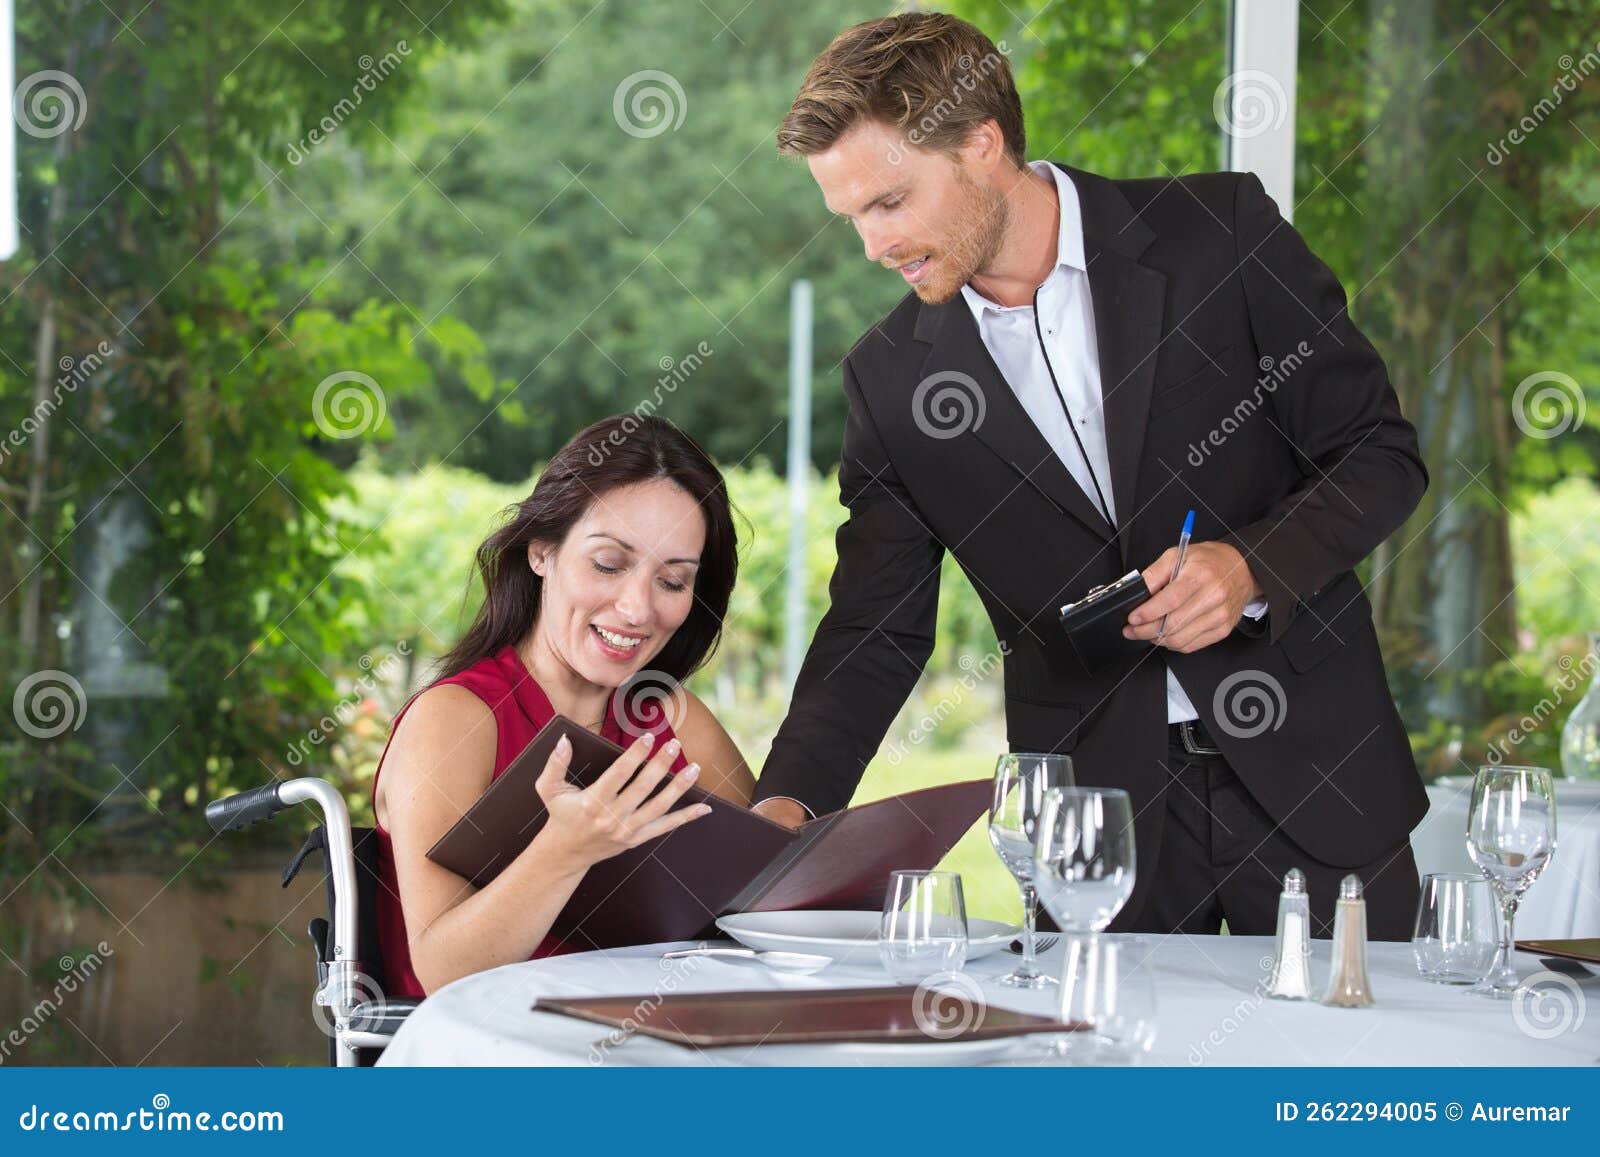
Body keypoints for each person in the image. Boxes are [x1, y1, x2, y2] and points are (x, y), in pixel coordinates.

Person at [751, 13, 1429, 940]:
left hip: (1319, 778)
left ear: (983, 145)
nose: (874, 246)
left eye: (890, 203)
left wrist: (1251, 565)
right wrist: (785, 809)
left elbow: (1379, 453)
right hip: (1096, 828)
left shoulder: (1218, 236)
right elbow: (873, 628)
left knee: (1362, 1071)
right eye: (852, 217)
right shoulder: (891, 378)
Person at [373, 415, 753, 996]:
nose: (636, 609)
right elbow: (442, 968)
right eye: (608, 564)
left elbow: (769, 894)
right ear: (542, 552)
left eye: (672, 582)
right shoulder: (453, 719)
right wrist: (561, 853)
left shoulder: (670, 715)